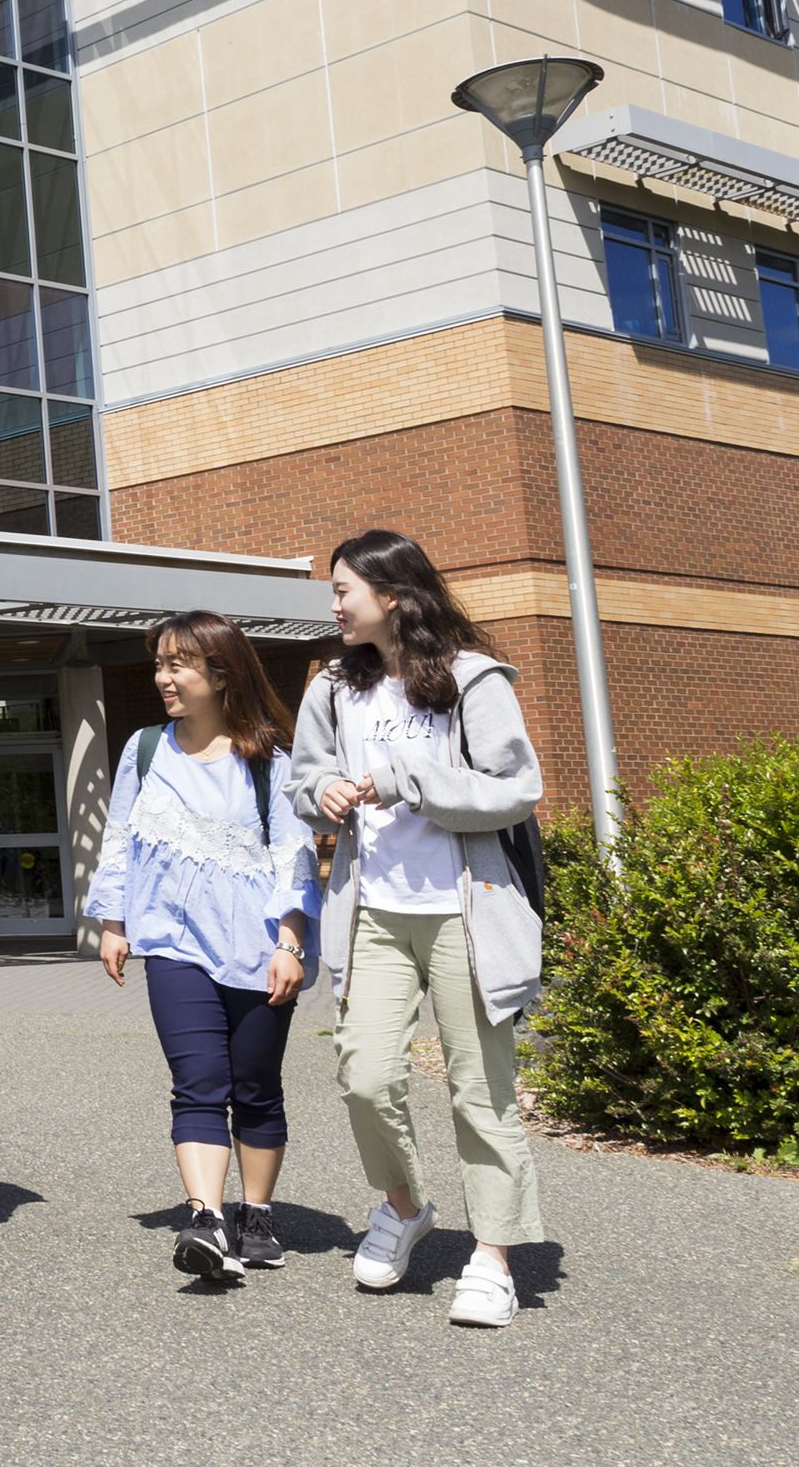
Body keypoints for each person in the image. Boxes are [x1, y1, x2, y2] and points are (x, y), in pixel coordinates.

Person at [288, 528, 548, 1329]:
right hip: (371, 911)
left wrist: (409, 778)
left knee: (480, 1089)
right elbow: (303, 780)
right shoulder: (334, 686)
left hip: (463, 912)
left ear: (392, 595)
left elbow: (517, 787)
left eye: (343, 591)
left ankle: (494, 1257)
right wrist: (325, 789)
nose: (332, 605)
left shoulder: (472, 680)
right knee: (364, 1074)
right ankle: (404, 1206)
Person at [85, 610, 321, 1283]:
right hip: (173, 944)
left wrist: (292, 946)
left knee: (255, 1090)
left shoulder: (271, 762)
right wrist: (115, 921)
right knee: (197, 1086)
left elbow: (293, 859)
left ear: (220, 675)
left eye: (177, 665)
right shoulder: (145, 751)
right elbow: (121, 839)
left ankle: (257, 1215)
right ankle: (207, 1219)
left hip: (257, 949)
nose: (163, 677)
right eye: (159, 664)